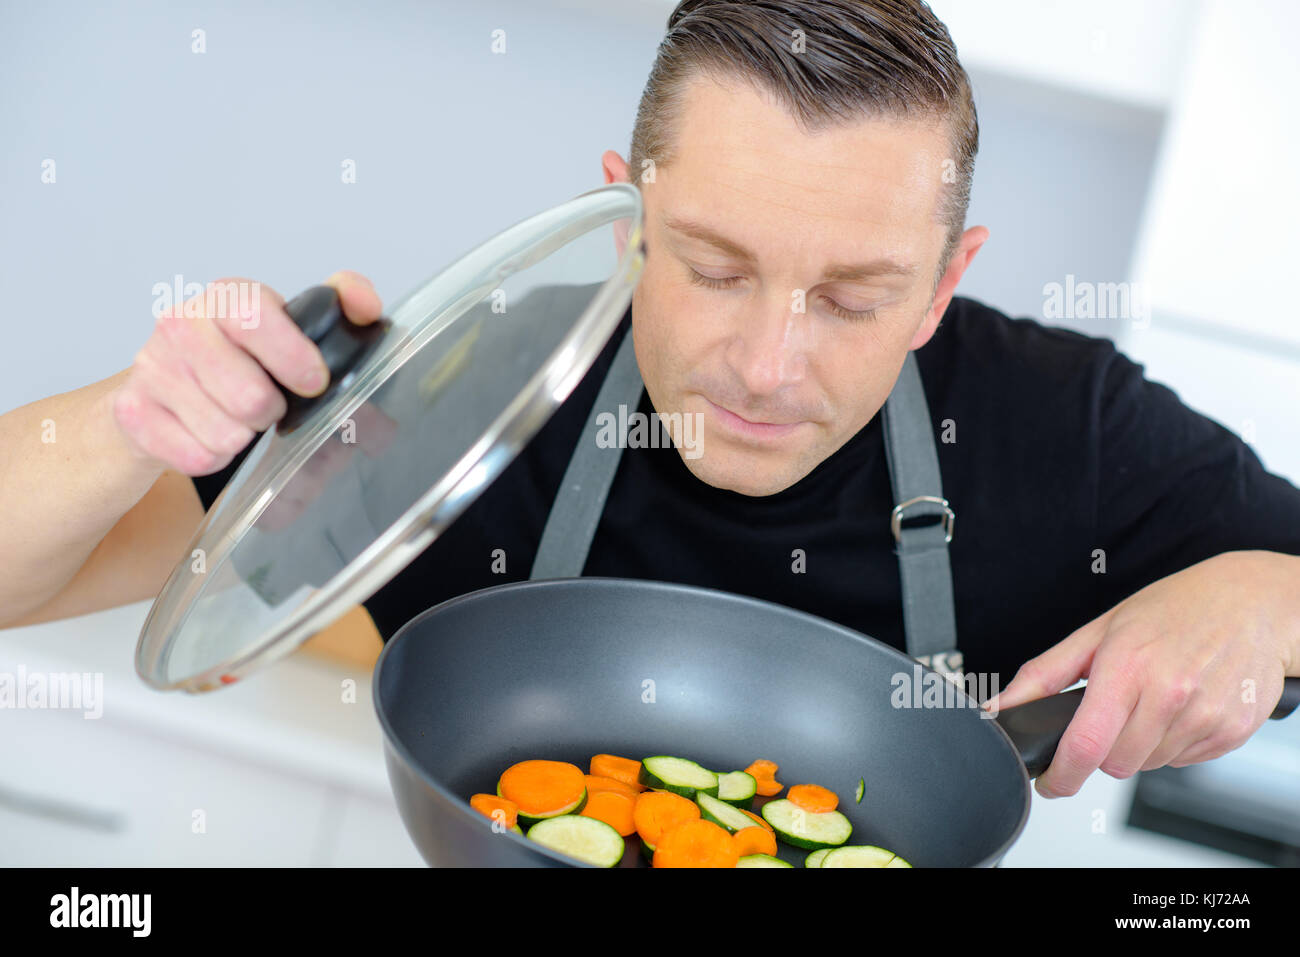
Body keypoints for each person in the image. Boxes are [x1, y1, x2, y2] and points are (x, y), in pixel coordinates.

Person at [2, 0, 1298, 803]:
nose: (767, 363)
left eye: (854, 297)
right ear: (629, 214)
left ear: (945, 281)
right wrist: (135, 414)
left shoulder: (1063, 430)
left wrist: (1258, 598)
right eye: (714, 268)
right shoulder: (461, 397)